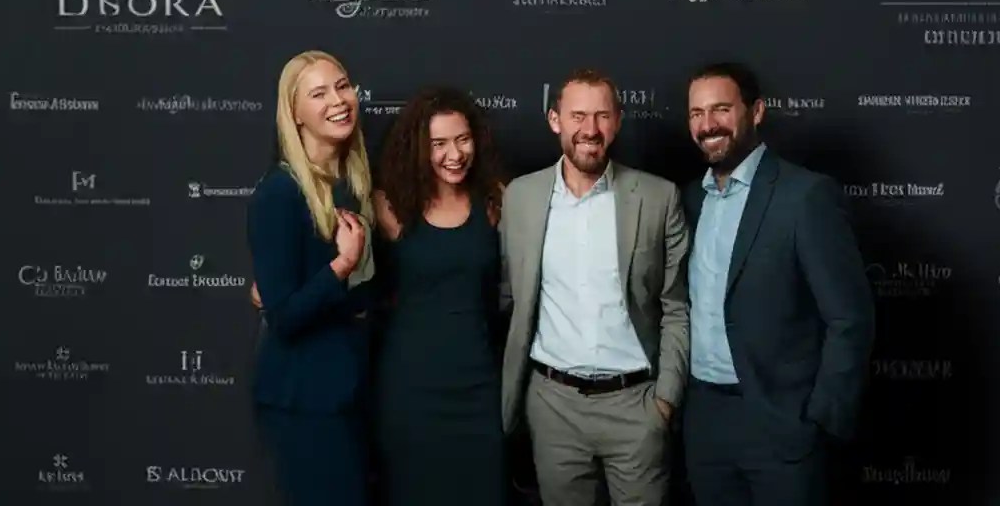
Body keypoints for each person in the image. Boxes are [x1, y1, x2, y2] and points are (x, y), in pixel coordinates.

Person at [680, 62, 875, 506]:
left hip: (780, 420)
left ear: (757, 111)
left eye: (721, 109)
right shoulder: (689, 199)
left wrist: (819, 418)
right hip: (704, 421)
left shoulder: (805, 196)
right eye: (696, 113)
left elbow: (850, 317)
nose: (707, 124)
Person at [499, 68, 691, 506]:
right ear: (555, 120)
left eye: (602, 116)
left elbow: (677, 306)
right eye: (578, 116)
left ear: (618, 121)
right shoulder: (520, 197)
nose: (590, 129)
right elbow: (508, 297)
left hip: (637, 406)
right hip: (553, 409)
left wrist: (664, 401)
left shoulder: (659, 198)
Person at [246, 50, 378, 506]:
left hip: (349, 392)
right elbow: (283, 318)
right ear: (295, 113)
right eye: (318, 93)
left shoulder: (351, 183)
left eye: (342, 86)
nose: (338, 100)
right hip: (303, 401)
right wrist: (340, 265)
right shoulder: (279, 193)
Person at [370, 86, 508, 506]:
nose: (455, 153)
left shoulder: (496, 200)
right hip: (411, 386)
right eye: (439, 143)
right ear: (418, 148)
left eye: (462, 139)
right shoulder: (387, 205)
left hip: (480, 384)